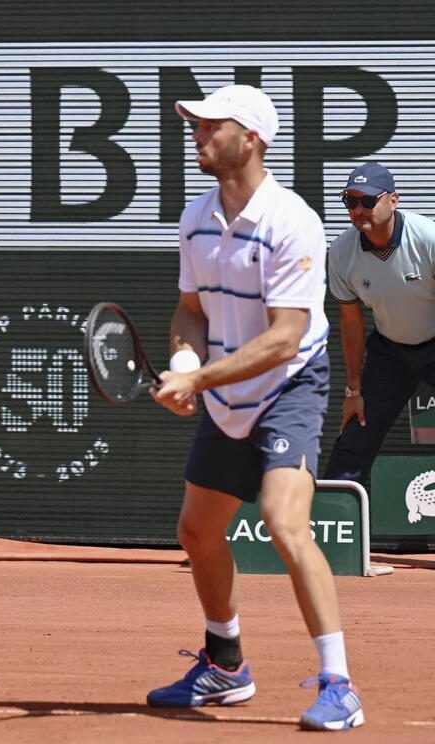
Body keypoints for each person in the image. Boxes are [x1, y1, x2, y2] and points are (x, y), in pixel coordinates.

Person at [147, 85, 364, 731]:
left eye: (214, 127)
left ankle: (339, 684)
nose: (199, 136)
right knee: (197, 530)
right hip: (225, 390)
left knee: (283, 521)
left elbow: (285, 338)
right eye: (196, 126)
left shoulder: (290, 220)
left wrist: (200, 375)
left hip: (288, 385)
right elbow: (191, 311)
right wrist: (188, 367)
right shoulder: (194, 219)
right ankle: (227, 664)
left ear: (253, 138)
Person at [323, 163, 435, 486]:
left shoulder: (427, 238)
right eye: (351, 201)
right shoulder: (342, 252)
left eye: (368, 201)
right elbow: (351, 322)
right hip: (390, 354)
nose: (359, 210)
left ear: (394, 201)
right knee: (353, 438)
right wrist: (354, 389)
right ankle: (333, 523)